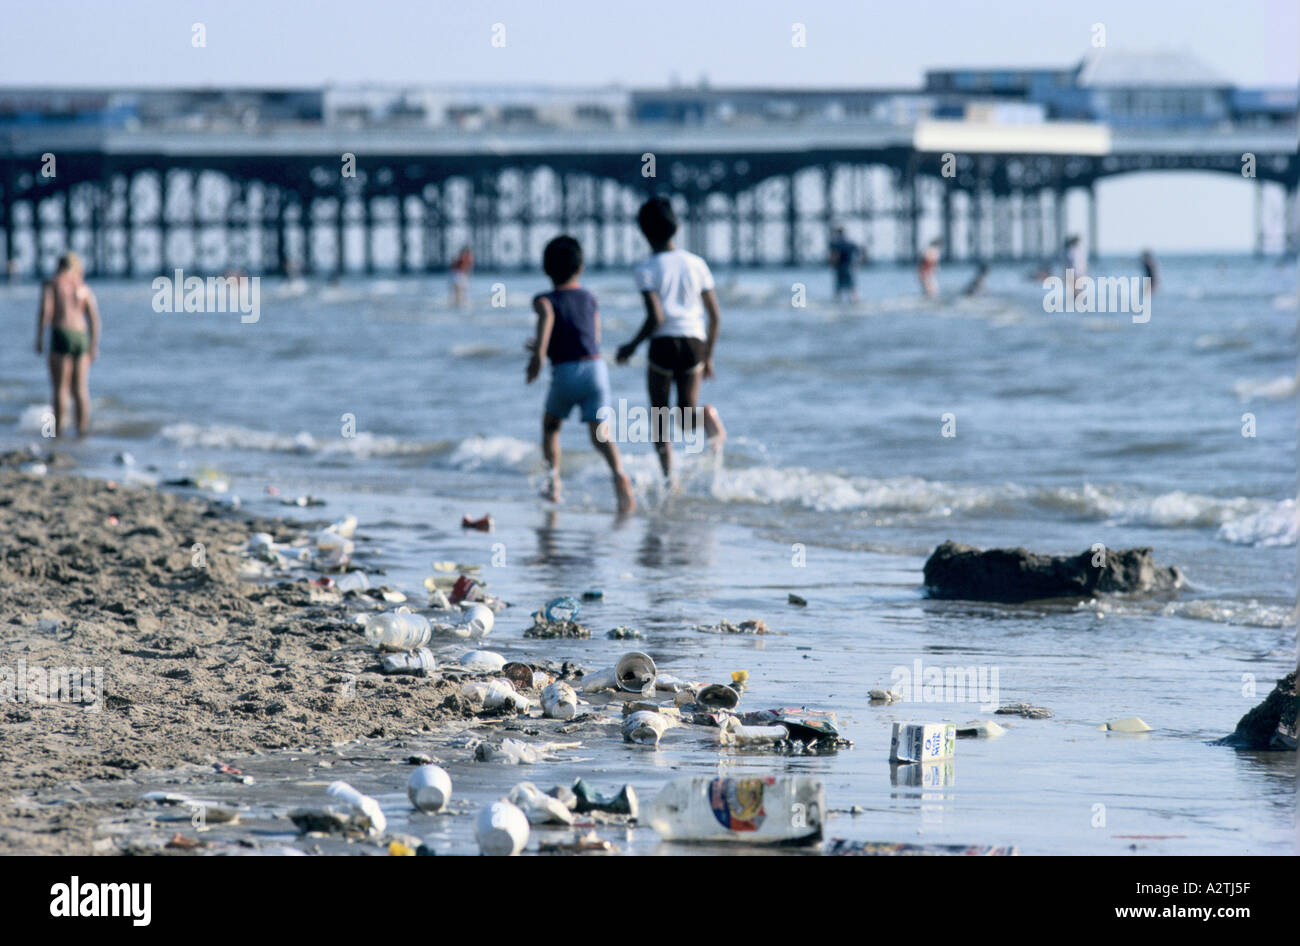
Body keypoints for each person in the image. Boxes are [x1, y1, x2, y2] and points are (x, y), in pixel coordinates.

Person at [616, 197, 725, 483]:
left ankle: (669, 481)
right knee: (687, 418)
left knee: (660, 420)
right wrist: (708, 357)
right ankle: (709, 418)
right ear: (675, 229)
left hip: (664, 344)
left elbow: (657, 318)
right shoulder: (697, 264)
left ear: (643, 232)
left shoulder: (646, 269)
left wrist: (630, 346)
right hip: (694, 343)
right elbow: (715, 316)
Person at [526, 235, 635, 514]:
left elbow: (548, 317)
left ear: (546, 269)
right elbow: (593, 337)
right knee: (600, 434)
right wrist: (547, 345)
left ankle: (554, 485)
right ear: (581, 267)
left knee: (551, 427)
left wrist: (539, 354)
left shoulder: (544, 299)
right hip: (596, 370)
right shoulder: (590, 298)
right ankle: (619, 475)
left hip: (565, 371)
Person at [36, 251, 99, 437]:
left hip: (61, 334)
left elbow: (45, 311)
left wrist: (39, 338)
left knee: (60, 388)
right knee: (80, 389)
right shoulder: (83, 286)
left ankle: (58, 432)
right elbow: (94, 318)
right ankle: (82, 430)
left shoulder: (53, 283)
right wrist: (93, 345)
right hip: (81, 336)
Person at [828, 226, 860, 302]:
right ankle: (855, 301)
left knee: (838, 289)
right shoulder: (850, 243)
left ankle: (837, 302)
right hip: (849, 267)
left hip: (840, 268)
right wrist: (858, 263)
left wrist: (832, 264)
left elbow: (835, 255)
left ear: (837, 233)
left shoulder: (836, 243)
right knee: (851, 287)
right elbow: (859, 252)